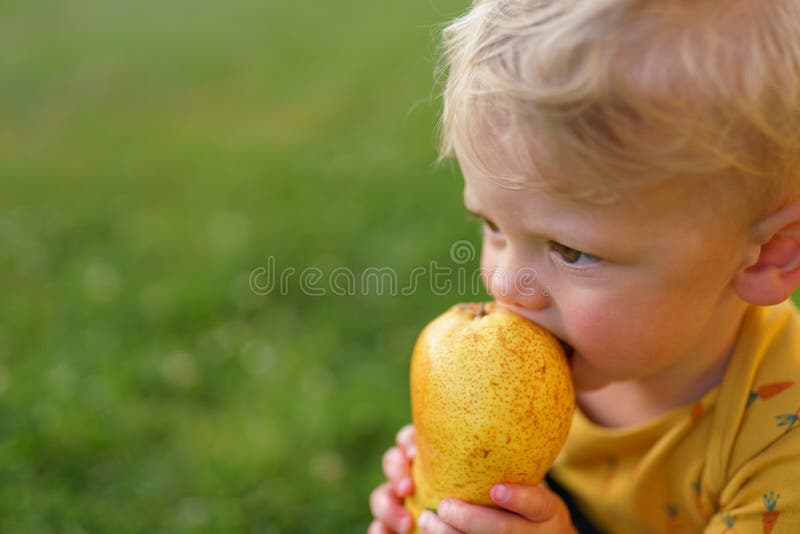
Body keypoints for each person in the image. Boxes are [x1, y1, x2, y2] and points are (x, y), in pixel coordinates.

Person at [369, 0, 800, 532]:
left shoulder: (781, 449)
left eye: (570, 251)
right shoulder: (566, 355)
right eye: (494, 227)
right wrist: (448, 495)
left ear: (768, 256)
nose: (506, 284)